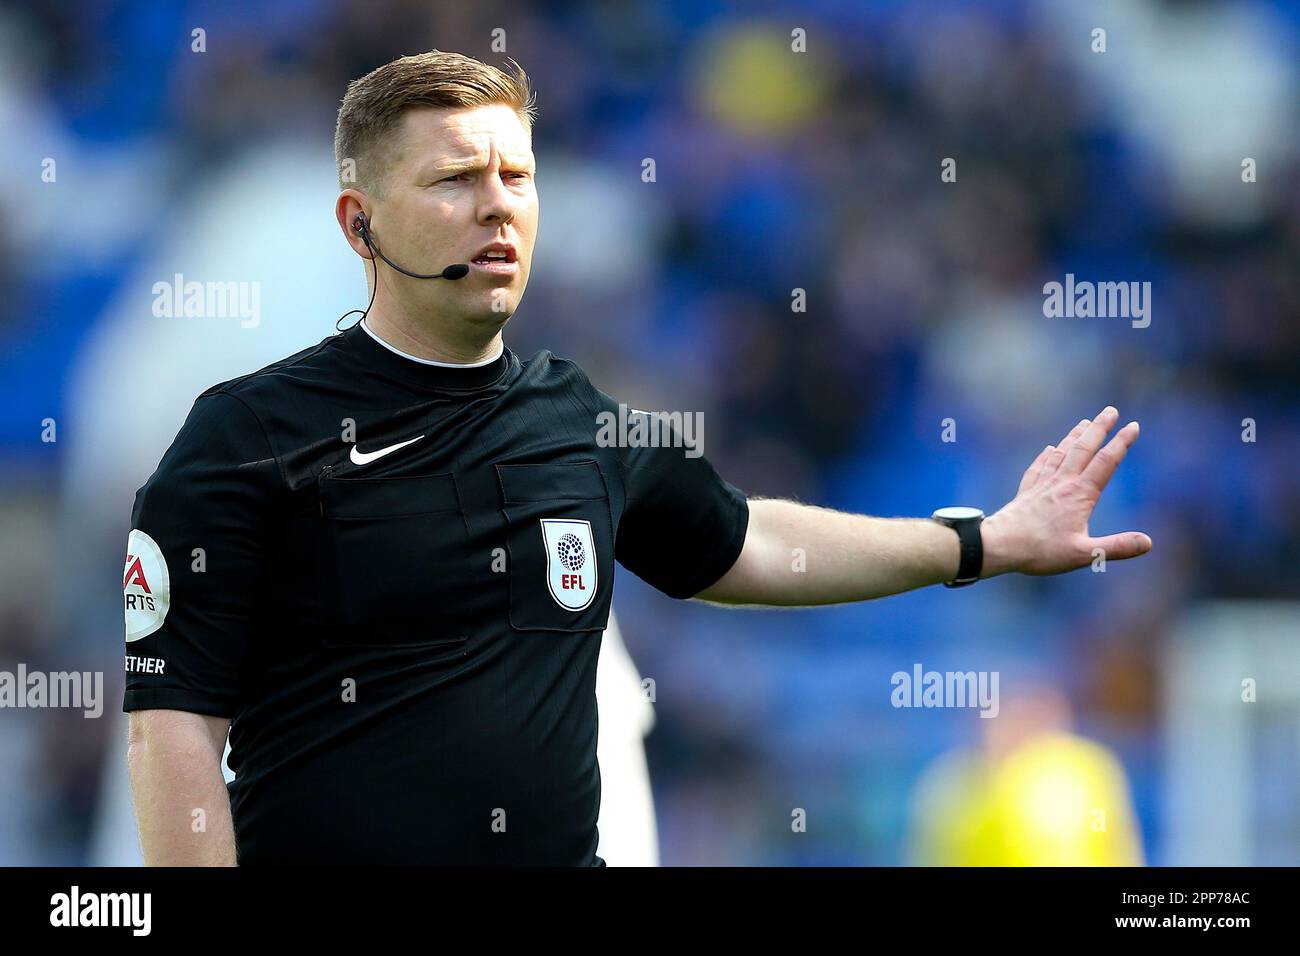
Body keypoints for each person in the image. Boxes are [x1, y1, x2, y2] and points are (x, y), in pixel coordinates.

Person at [123, 50, 1151, 866]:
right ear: (360, 222)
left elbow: (749, 540)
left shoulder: (578, 417)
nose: (497, 206)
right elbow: (172, 728)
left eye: (515, 176)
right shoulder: (242, 438)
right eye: (453, 179)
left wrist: (981, 541)